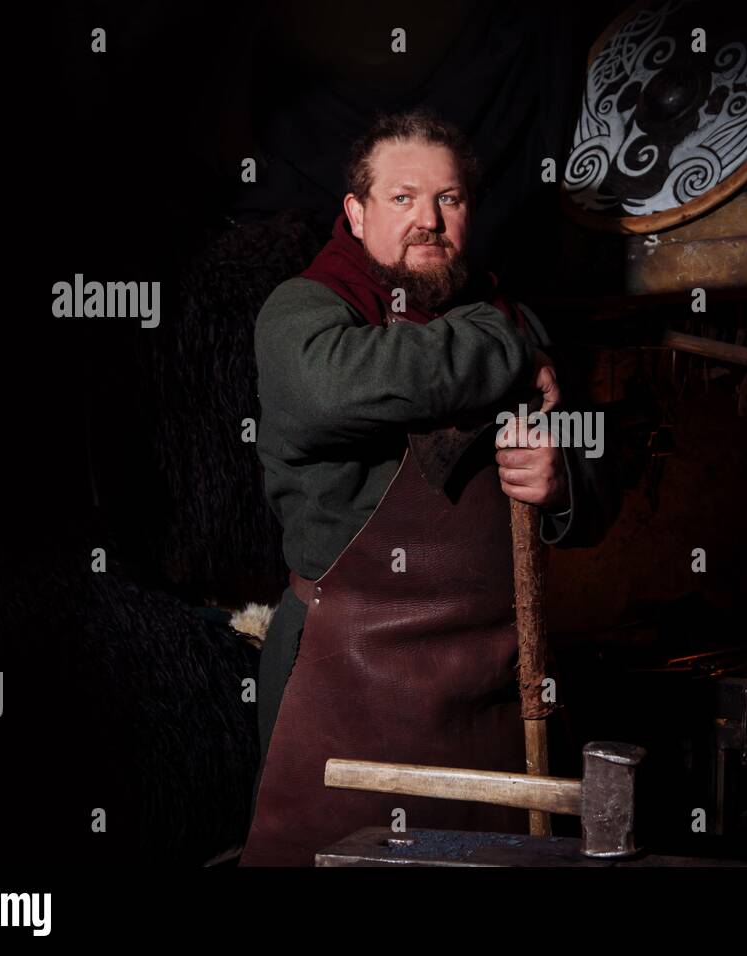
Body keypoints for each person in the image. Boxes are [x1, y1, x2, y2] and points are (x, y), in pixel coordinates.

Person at [240, 108, 619, 865]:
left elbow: (598, 460)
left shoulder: (503, 316)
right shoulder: (306, 312)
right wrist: (508, 346)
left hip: (497, 695)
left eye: (449, 200)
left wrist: (564, 478)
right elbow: (340, 391)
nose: (429, 220)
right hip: (345, 687)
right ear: (355, 212)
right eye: (402, 198)